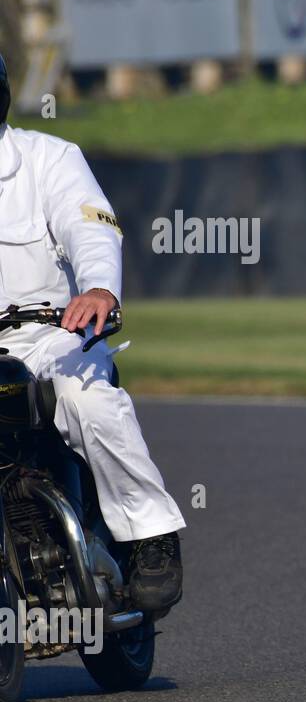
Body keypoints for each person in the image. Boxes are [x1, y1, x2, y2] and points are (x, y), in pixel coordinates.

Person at [0, 53, 186, 614]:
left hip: (52, 335)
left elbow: (90, 227)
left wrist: (100, 289)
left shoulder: (47, 158)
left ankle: (149, 536)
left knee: (88, 399)